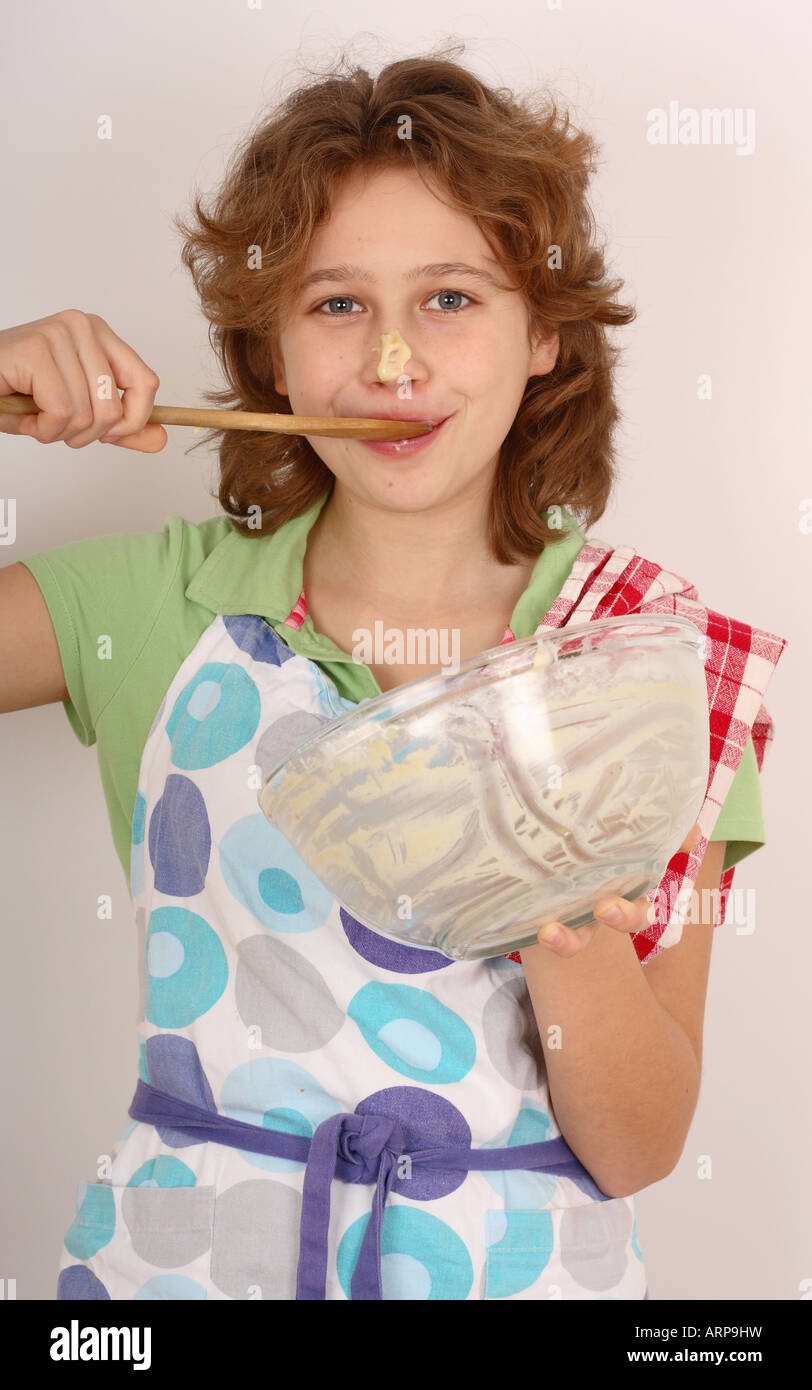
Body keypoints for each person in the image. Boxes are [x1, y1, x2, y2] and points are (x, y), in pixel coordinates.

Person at [0, 53, 786, 1300]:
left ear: (544, 337)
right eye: (335, 305)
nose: (396, 364)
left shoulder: (652, 658)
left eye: (451, 299)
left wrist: (558, 907)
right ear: (271, 353)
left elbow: (639, 1145)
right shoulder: (151, 609)